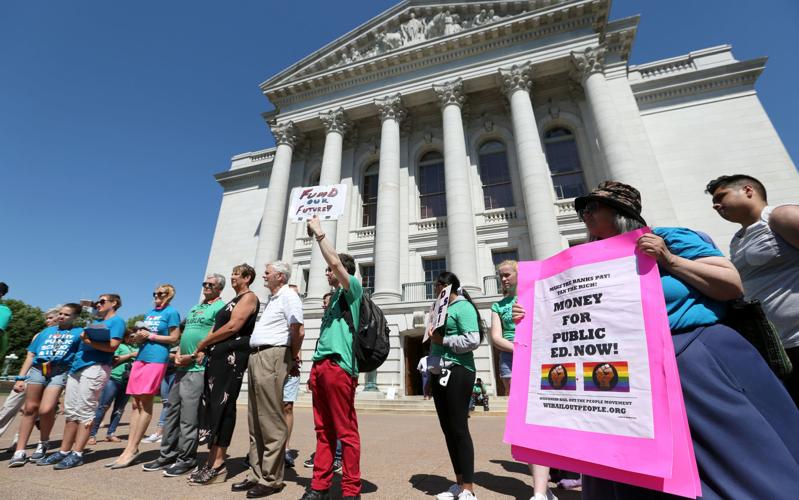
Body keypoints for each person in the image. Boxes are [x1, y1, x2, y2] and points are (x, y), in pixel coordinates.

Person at [524, 180, 799, 499]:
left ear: (620, 212)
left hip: (692, 358)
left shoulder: (670, 237)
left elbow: (730, 285)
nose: (585, 214)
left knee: (733, 461)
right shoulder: (586, 262)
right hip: (625, 375)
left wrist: (669, 259)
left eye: (592, 207)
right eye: (582, 210)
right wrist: (532, 311)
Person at [706, 174, 799, 405]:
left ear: (748, 190)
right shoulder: (737, 241)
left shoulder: (780, 215)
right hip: (781, 349)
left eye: (721, 196)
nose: (716, 205)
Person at [301, 215, 363, 500]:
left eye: (329, 269)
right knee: (323, 431)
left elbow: (337, 264)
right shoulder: (332, 299)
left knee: (345, 432)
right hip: (321, 367)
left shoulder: (354, 291)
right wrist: (313, 369)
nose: (327, 272)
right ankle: (319, 486)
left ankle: (350, 490)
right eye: (326, 270)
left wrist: (319, 233)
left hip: (340, 367)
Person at [230, 261, 303, 498]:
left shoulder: (289, 296)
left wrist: (292, 358)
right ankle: (257, 472)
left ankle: (271, 479)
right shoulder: (274, 299)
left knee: (270, 419)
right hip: (258, 355)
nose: (264, 275)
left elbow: (298, 329)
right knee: (255, 419)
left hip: (273, 355)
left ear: (280, 276)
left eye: (268, 273)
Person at [143, 275, 226, 477]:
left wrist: (196, 354)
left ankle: (186, 459)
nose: (206, 286)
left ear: (219, 288)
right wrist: (179, 353)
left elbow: (215, 334)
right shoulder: (195, 308)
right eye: (205, 284)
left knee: (189, 416)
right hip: (182, 366)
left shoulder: (221, 307)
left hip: (198, 366)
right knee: (171, 412)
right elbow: (186, 332)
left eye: (211, 284)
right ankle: (167, 454)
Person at [490, 260, 558, 500]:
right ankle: (542, 489)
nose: (503, 279)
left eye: (506, 274)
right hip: (511, 360)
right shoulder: (498, 306)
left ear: (519, 273)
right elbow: (496, 338)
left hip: (539, 358)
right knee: (522, 424)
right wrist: (520, 349)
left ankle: (542, 488)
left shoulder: (538, 297)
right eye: (500, 276)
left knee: (539, 420)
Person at [190, 264, 260, 485]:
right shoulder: (232, 300)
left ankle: (219, 464)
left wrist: (203, 342)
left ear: (247, 278)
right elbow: (217, 326)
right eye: (232, 273)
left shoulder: (249, 297)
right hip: (218, 357)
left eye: (237, 274)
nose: (232, 277)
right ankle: (211, 460)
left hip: (232, 357)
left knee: (224, 406)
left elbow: (233, 326)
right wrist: (204, 348)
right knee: (212, 407)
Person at [38, 294, 125, 469]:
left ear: (114, 303)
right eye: (97, 302)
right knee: (71, 412)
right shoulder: (96, 321)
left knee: (86, 411)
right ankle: (64, 451)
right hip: (78, 367)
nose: (98, 304)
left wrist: (89, 341)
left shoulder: (117, 321)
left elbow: (113, 346)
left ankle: (77, 453)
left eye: (102, 301)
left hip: (95, 367)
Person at [109, 285, 180, 469]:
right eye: (155, 293)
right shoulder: (150, 313)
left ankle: (132, 449)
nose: (156, 296)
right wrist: (137, 337)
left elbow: (174, 338)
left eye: (161, 293)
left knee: (145, 401)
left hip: (156, 359)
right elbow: (145, 335)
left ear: (169, 296)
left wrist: (151, 335)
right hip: (141, 356)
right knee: (135, 403)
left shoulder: (171, 312)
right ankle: (128, 448)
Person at [428, 272, 482, 500]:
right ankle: (459, 484)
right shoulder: (437, 309)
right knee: (448, 429)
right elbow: (434, 343)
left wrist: (444, 340)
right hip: (439, 370)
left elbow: (473, 340)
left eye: (438, 285)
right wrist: (429, 367)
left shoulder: (464, 307)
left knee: (459, 428)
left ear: (447, 286)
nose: (435, 289)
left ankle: (468, 488)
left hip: (459, 369)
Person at [8, 303, 83, 467]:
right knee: (29, 408)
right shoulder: (45, 332)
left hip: (60, 370)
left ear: (75, 317)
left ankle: (43, 442)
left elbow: (80, 355)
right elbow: (31, 355)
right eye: (60, 313)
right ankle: (19, 451)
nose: (62, 316)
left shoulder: (79, 333)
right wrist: (21, 378)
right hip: (38, 369)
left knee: (46, 409)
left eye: (67, 314)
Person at [1, 306, 58, 445]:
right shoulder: (39, 335)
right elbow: (30, 357)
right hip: (32, 373)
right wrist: (21, 378)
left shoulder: (68, 336)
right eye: (47, 318)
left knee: (32, 409)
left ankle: (18, 441)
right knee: (9, 406)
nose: (47, 321)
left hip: (51, 376)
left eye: (51, 318)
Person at [302, 291, 342, 475]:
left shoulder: (339, 322)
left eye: (326, 302)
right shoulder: (324, 325)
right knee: (323, 420)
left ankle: (338, 456)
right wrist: (312, 376)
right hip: (320, 372)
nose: (323, 305)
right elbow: (318, 351)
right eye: (323, 302)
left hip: (336, 372)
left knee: (336, 419)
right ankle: (323, 455)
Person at [88, 329, 138, 444]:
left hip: (128, 382)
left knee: (119, 409)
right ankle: (92, 434)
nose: (133, 338)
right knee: (103, 406)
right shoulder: (119, 346)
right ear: (125, 337)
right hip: (114, 379)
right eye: (131, 336)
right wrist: (130, 355)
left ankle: (111, 433)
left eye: (134, 336)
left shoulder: (138, 348)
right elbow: (114, 360)